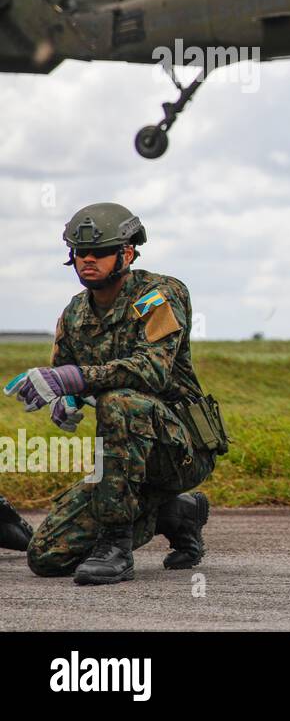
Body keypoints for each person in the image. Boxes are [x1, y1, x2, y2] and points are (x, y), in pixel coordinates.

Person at [21, 203, 221, 585]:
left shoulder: (158, 296)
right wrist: (65, 398)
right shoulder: (75, 314)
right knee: (46, 556)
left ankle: (116, 546)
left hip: (180, 448)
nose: (88, 260)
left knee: (121, 402)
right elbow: (65, 371)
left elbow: (154, 369)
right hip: (124, 460)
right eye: (80, 253)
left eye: (99, 252)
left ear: (127, 253)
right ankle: (177, 514)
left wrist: (76, 379)